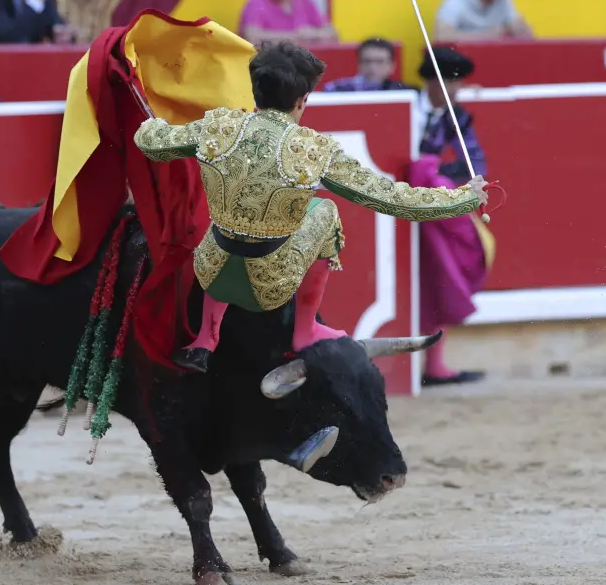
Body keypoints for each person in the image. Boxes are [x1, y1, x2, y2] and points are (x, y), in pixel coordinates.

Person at [134, 40, 488, 374]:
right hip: (271, 283)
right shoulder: (312, 149)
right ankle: (305, 331)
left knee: (232, 210)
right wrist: (465, 197)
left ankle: (205, 339)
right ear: (302, 100)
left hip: (211, 270)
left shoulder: (218, 127)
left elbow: (151, 143)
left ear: (254, 90)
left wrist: (152, 119)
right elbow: (393, 199)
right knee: (324, 210)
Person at [408, 46, 494, 386]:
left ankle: (434, 365)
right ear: (430, 80)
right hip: (390, 204)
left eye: (457, 82)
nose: (454, 89)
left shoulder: (456, 117)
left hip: (430, 209)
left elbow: (474, 167)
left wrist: (438, 177)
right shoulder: (403, 105)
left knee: (441, 273)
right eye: (447, 81)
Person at [323, 38, 410, 92]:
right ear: (358, 64)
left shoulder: (405, 92)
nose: (372, 67)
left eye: (379, 62)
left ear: (392, 66)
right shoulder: (337, 89)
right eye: (367, 61)